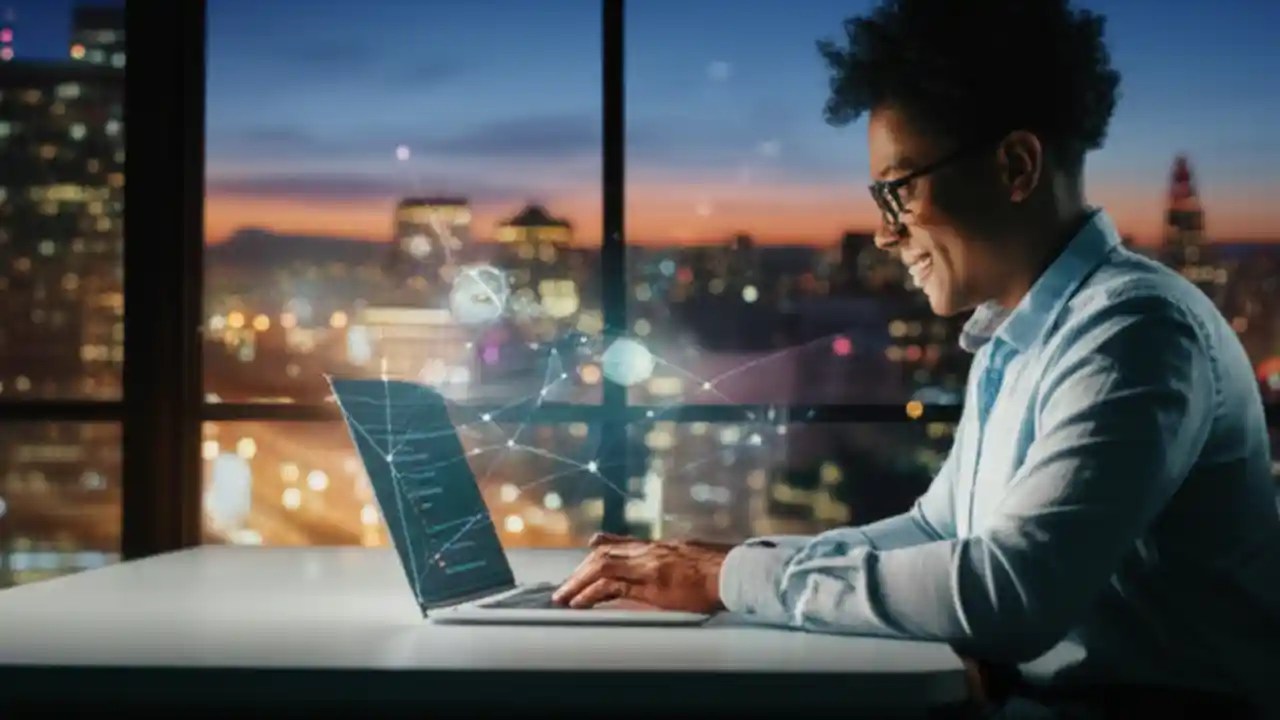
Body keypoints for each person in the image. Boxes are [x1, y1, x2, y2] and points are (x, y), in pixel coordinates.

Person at [553, 0, 1279, 716]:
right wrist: (729, 560)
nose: (883, 232)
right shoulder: (1023, 336)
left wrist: (734, 576)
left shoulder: (1134, 331)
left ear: (1016, 166)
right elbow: (937, 530)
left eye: (897, 191)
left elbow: (1011, 595)